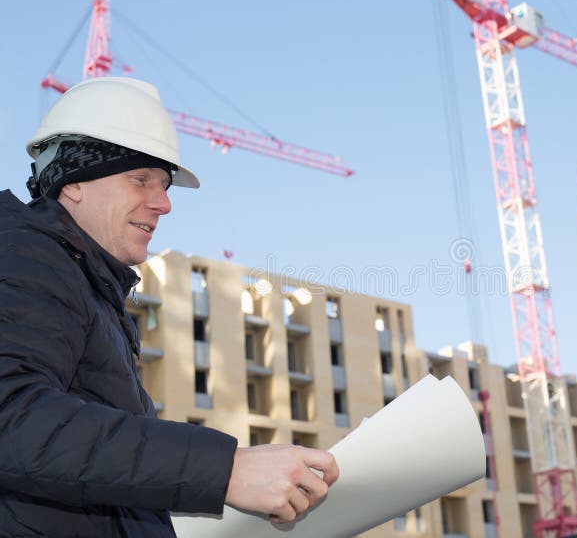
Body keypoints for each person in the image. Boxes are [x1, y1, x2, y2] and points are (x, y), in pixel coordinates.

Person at [0, 77, 338, 537]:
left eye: (165, 186)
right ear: (73, 182)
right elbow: (11, 417)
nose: (162, 204)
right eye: (140, 180)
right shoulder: (26, 256)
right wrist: (226, 471)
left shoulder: (93, 290)